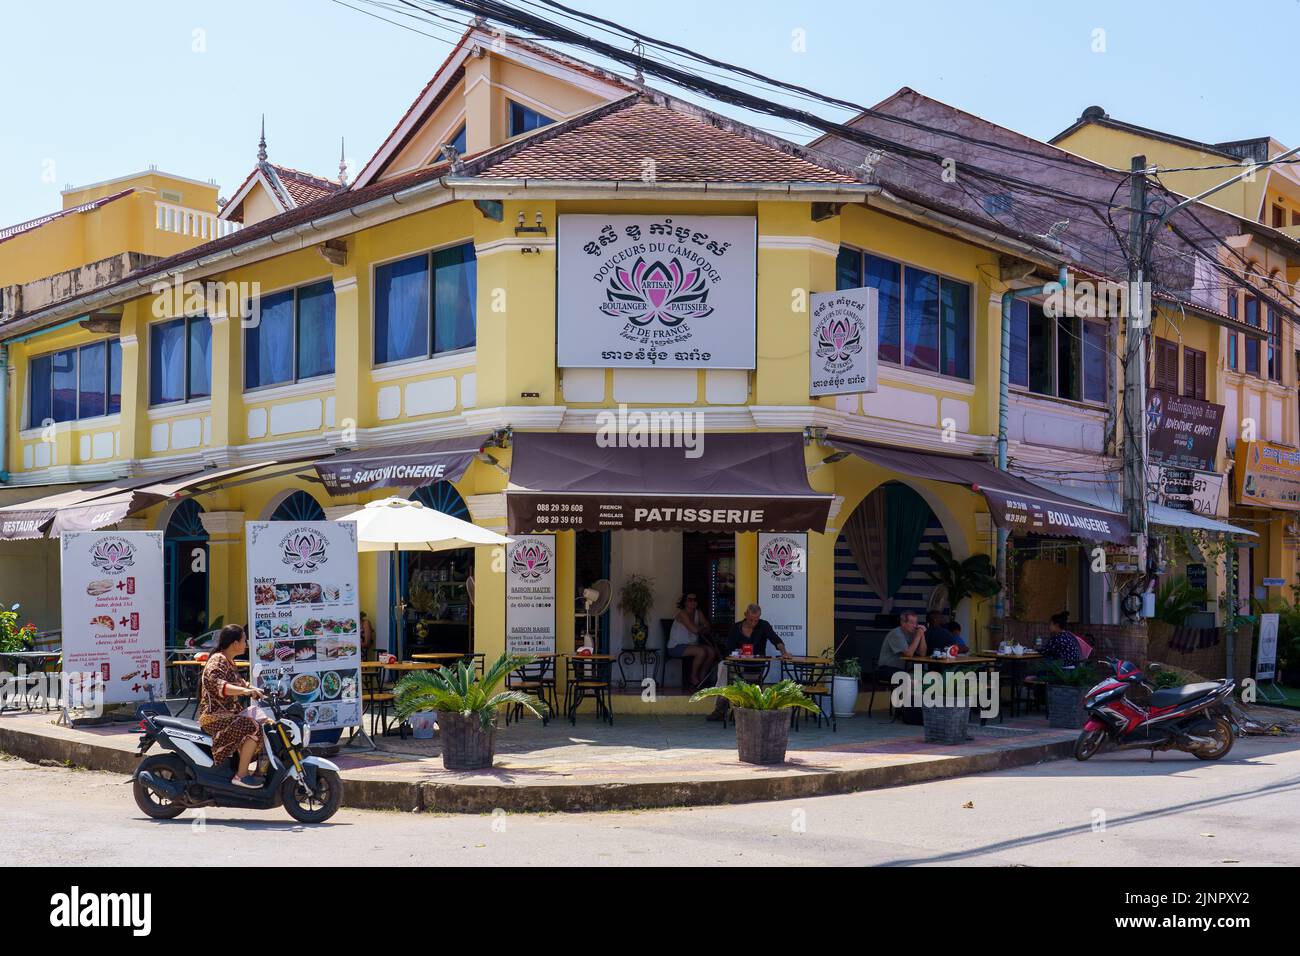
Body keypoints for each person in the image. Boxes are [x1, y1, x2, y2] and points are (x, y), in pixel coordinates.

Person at [198, 624, 267, 789]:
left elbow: (240, 683)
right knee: (251, 725)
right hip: (214, 717)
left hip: (230, 713)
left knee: (266, 724)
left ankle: (260, 772)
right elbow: (219, 685)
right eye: (244, 640)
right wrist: (245, 691)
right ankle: (241, 775)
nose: (246, 644)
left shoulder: (229, 661)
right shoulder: (217, 661)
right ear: (235, 643)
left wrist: (253, 689)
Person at [706, 603, 792, 721]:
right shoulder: (736, 628)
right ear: (745, 615)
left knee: (725, 670)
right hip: (738, 665)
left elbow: (776, 640)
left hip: (756, 665)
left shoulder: (763, 626)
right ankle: (720, 708)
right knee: (723, 667)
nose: (753, 623)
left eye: (756, 620)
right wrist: (739, 651)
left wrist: (784, 652)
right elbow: (728, 648)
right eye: (751, 620)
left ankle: (723, 709)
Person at [668, 593, 716, 688]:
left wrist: (701, 628)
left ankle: (702, 677)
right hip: (676, 646)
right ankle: (693, 678)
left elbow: (708, 628)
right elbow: (695, 630)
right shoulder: (682, 613)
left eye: (695, 600)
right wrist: (702, 627)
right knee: (701, 652)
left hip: (692, 645)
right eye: (690, 599)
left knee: (711, 651)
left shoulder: (698, 612)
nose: (693, 602)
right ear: (685, 602)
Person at [876, 609, 929, 680]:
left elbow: (922, 654)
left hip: (906, 669)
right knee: (912, 680)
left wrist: (922, 635)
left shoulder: (914, 634)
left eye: (916, 623)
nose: (915, 626)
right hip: (888, 668)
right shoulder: (896, 633)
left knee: (925, 676)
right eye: (912, 623)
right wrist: (918, 636)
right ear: (903, 623)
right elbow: (908, 654)